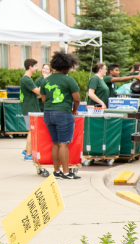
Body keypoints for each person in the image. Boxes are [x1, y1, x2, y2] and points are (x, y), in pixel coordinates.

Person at [40, 51, 82, 180]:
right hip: (63, 113)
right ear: (67, 66)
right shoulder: (68, 79)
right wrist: (74, 110)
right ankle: (66, 172)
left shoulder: (46, 81)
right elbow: (77, 99)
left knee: (55, 143)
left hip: (48, 113)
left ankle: (56, 171)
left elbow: (43, 99)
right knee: (64, 144)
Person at [19, 59, 42, 161]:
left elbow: (36, 95)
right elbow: (38, 91)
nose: (37, 68)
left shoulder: (27, 80)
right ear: (30, 67)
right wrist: (46, 81)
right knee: (31, 131)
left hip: (30, 107)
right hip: (29, 109)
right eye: (35, 66)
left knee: (32, 130)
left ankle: (26, 150)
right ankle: (28, 154)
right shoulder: (26, 80)